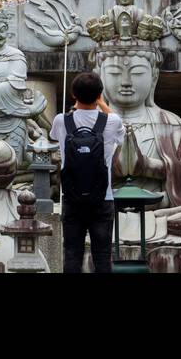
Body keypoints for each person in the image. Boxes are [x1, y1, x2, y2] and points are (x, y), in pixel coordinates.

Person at [50, 71, 125, 274]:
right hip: (103, 198)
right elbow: (120, 130)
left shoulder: (61, 121)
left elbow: (53, 136)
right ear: (100, 94)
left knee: (72, 253)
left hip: (72, 198)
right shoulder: (112, 122)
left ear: (73, 94)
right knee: (102, 255)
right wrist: (101, 104)